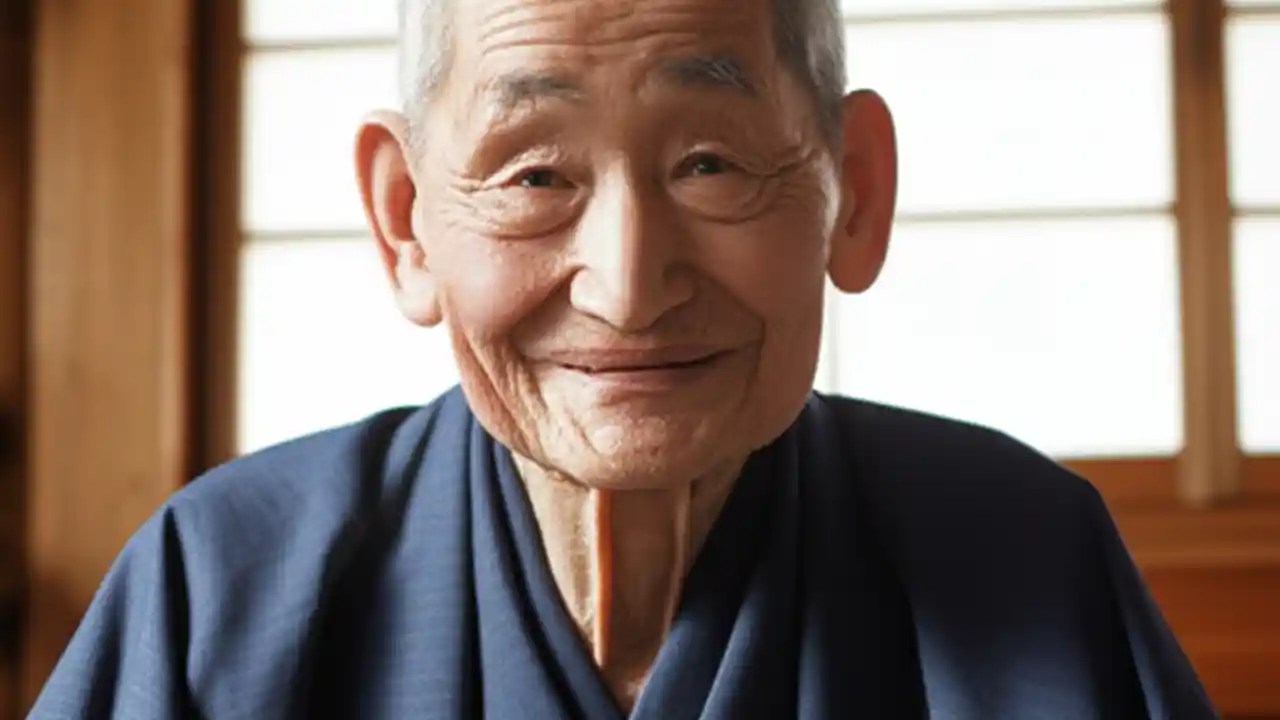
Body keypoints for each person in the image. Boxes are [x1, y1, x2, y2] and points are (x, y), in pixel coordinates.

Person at [31, 0, 1214, 717]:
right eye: (535, 175)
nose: (630, 285)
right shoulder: (225, 587)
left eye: (708, 163)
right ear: (404, 222)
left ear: (852, 193)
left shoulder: (1022, 556)